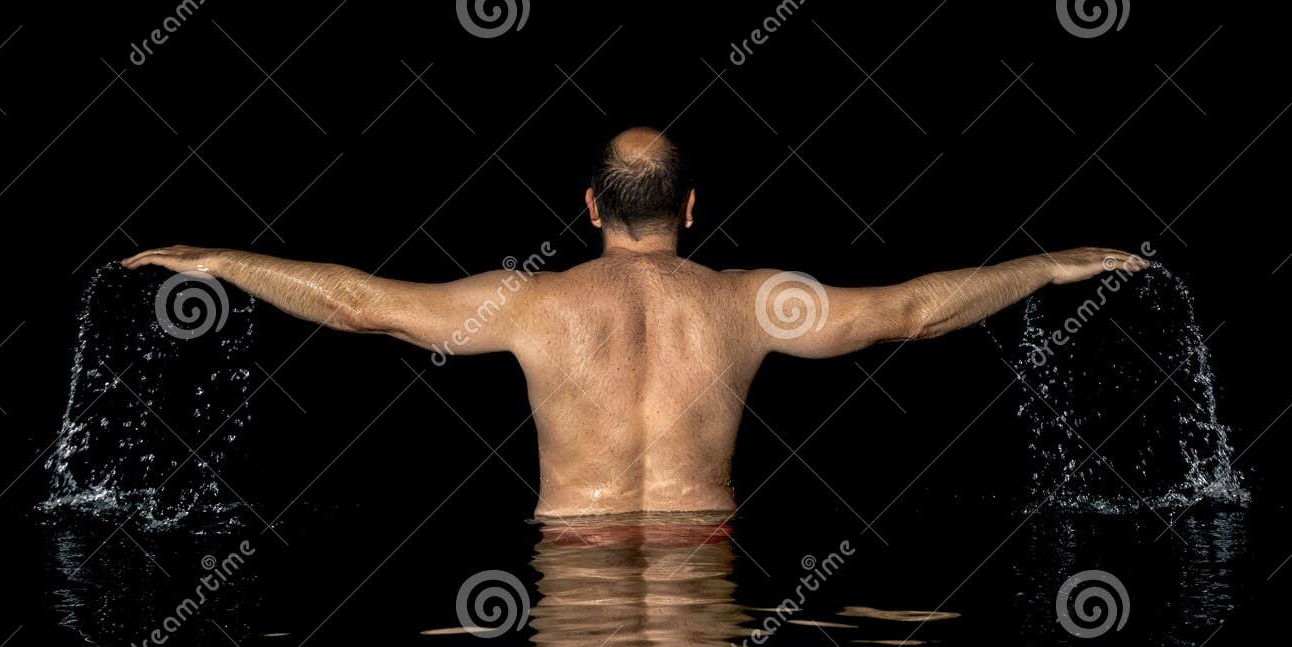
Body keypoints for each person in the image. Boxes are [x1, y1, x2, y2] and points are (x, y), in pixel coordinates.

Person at [124, 127, 1149, 517]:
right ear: (691, 209)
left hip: (568, 563)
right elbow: (919, 312)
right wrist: (1049, 264)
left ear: (588, 209)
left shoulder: (526, 305)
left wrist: (222, 259)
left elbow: (352, 304)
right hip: (704, 552)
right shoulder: (751, 302)